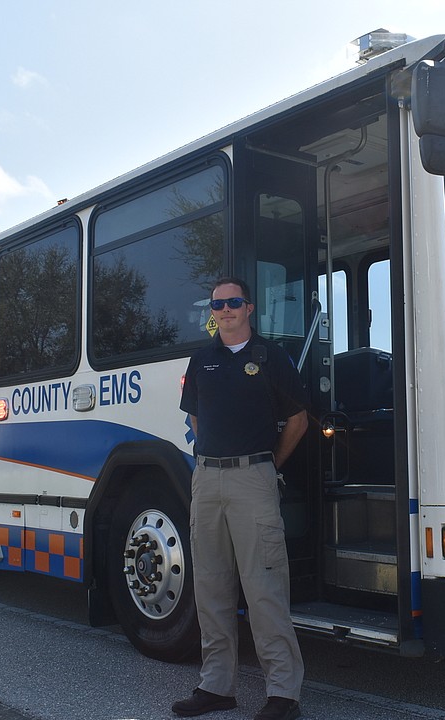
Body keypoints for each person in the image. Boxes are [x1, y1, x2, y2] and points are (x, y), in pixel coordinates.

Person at [173, 277, 308, 720]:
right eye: (217, 304)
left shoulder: (271, 357)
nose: (225, 309)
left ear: (249, 308)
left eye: (233, 302)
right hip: (206, 480)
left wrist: (268, 465)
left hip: (254, 478)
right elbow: (196, 418)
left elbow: (298, 420)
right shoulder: (201, 360)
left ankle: (283, 694)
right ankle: (216, 687)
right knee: (210, 587)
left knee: (264, 588)